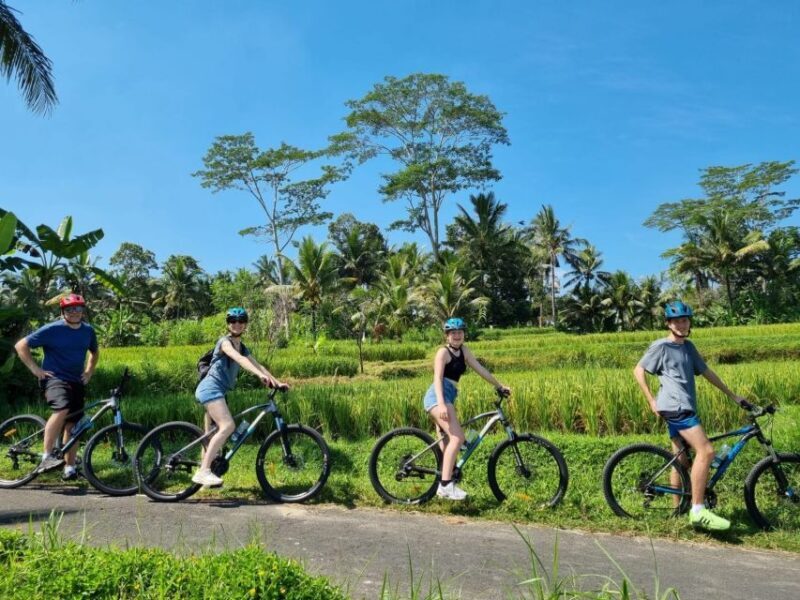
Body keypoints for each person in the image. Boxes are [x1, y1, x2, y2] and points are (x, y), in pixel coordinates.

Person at [633, 300, 751, 532]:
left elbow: (706, 372)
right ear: (668, 323)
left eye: (685, 320)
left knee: (680, 459)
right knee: (706, 451)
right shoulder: (661, 347)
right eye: (676, 320)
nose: (681, 324)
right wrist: (651, 400)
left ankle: (677, 510)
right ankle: (697, 510)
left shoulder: (688, 347)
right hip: (676, 408)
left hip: (684, 406)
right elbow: (638, 370)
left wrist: (732, 395)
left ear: (689, 323)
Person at [192, 307, 287, 487]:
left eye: (241, 320)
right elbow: (240, 360)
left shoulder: (242, 347)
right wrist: (259, 377)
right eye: (233, 321)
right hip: (210, 388)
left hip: (219, 392)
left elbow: (258, 365)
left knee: (213, 434)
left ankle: (206, 477)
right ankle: (203, 472)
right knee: (228, 426)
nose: (237, 324)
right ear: (228, 324)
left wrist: (277, 381)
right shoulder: (224, 342)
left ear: (245, 324)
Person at [423, 317, 511, 501]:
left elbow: (481, 369)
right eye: (453, 333)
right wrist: (440, 404)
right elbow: (437, 379)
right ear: (447, 335)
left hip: (449, 396)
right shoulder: (443, 353)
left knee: (450, 442)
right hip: (438, 397)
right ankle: (445, 487)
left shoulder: (464, 351)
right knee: (458, 437)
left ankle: (446, 478)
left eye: (460, 332)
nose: (457, 336)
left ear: (463, 334)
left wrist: (499, 385)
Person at [14, 293, 99, 481]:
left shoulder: (88, 331)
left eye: (78, 308)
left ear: (83, 310)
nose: (75, 312)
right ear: (63, 312)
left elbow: (94, 352)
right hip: (54, 378)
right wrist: (36, 369)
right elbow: (21, 345)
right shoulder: (53, 329)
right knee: (62, 408)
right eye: (70, 309)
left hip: (76, 381)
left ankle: (69, 468)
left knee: (74, 425)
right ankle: (47, 456)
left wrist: (89, 372)